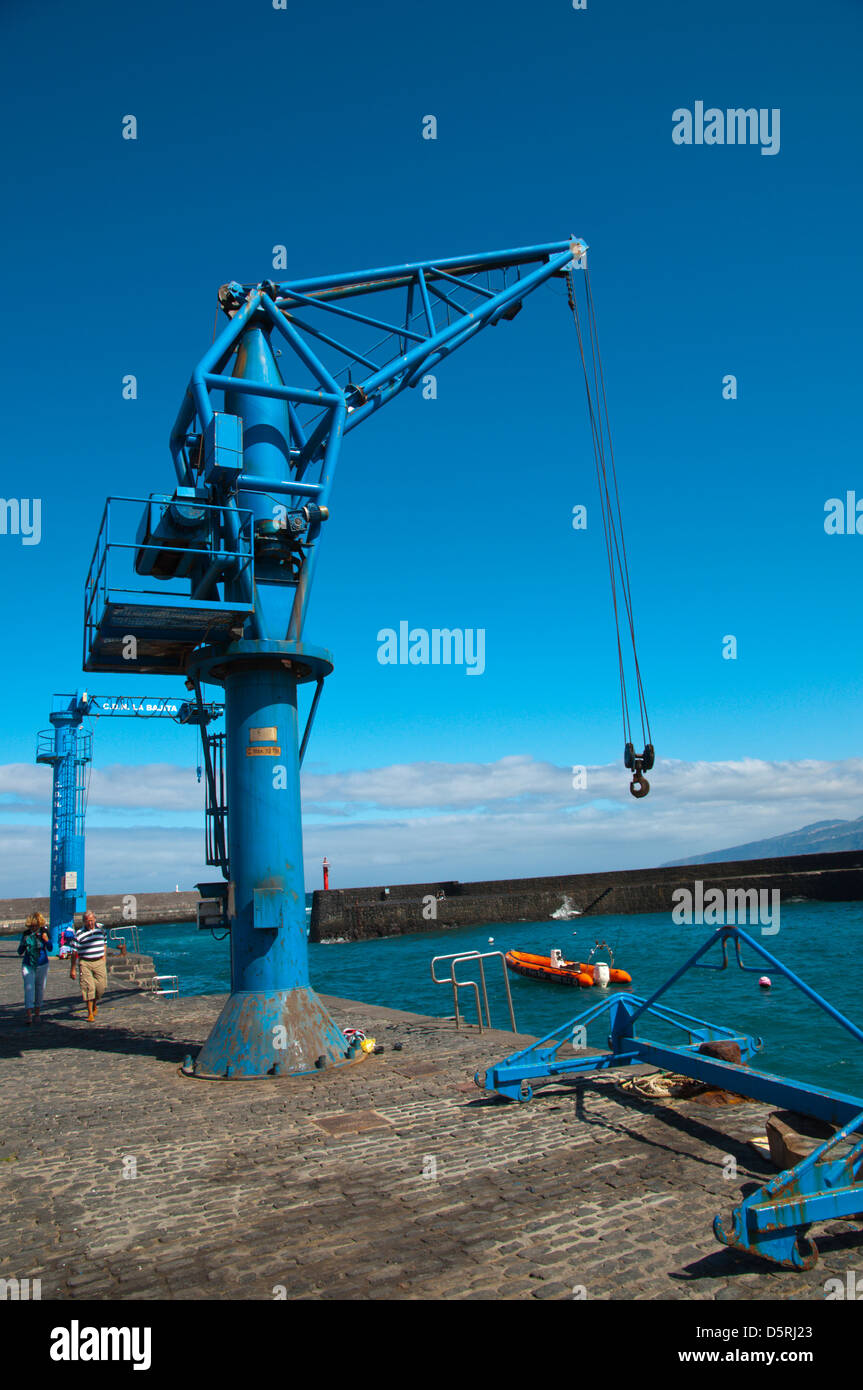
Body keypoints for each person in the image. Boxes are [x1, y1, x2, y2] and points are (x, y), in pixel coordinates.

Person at [70, 909, 108, 1023]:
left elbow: (104, 943)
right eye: (87, 921)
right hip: (85, 962)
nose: (90, 923)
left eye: (91, 920)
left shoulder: (101, 930)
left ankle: (95, 1003)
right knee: (88, 987)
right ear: (84, 922)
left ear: (95, 919)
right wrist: (73, 969)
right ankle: (90, 1013)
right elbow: (74, 952)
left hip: (99, 961)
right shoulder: (79, 933)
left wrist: (104, 957)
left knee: (101, 988)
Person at [17, 912, 50, 1025]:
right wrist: (24, 944)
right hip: (28, 964)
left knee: (40, 988)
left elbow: (50, 948)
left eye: (36, 926)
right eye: (32, 926)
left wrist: (46, 940)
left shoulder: (44, 932)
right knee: (29, 989)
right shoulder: (26, 934)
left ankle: (37, 1013)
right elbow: (19, 951)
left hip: (42, 963)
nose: (34, 928)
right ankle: (29, 1015)